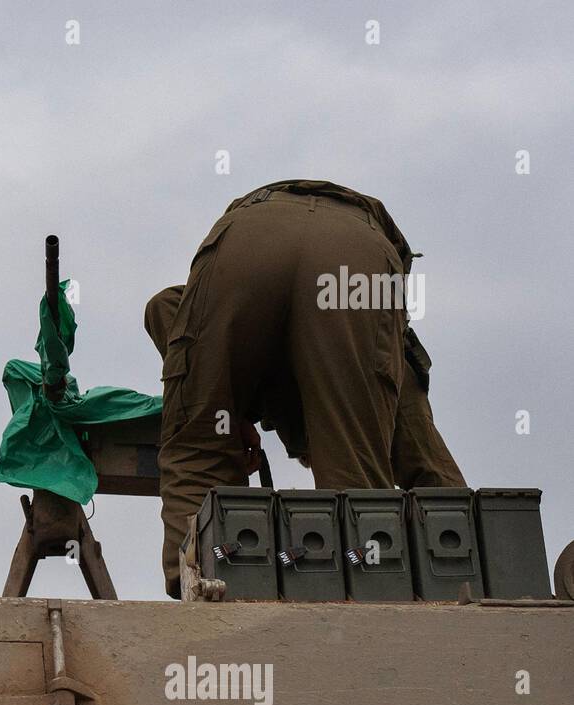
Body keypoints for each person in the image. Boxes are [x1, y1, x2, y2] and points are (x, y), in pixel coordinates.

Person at [144, 180, 465, 598]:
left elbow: (165, 306)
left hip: (248, 232)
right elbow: (430, 471)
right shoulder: (369, 366)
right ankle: (371, 601)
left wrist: (220, 402)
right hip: (355, 251)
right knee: (355, 478)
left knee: (200, 446)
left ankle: (203, 593)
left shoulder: (266, 342)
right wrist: (465, 578)